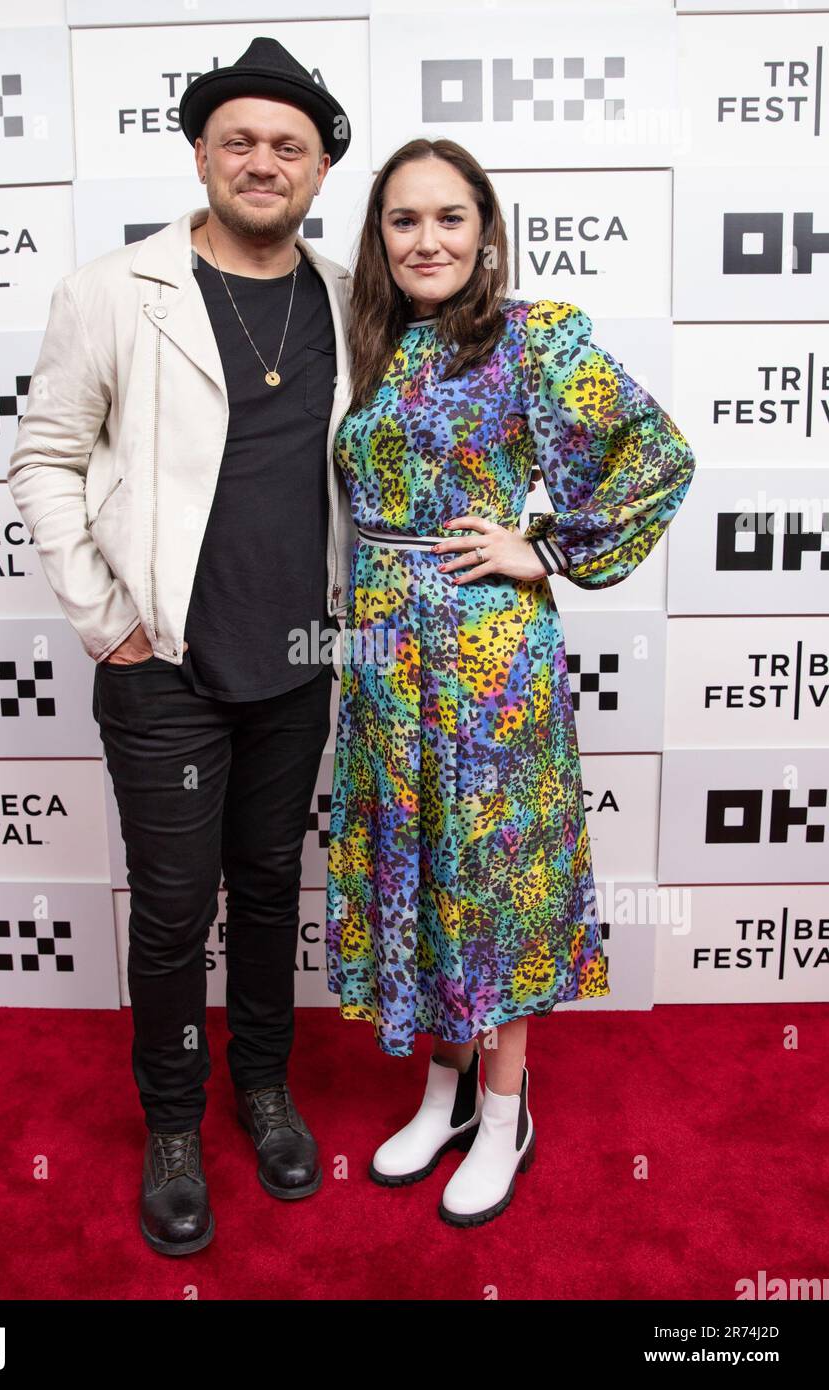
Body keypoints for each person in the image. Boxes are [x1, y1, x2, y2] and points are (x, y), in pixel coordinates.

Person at [7, 37, 357, 1256]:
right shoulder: (115, 289)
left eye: (290, 146)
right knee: (170, 910)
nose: (264, 161)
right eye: (241, 140)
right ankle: (172, 1125)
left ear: (321, 170)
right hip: (164, 671)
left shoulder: (349, 296)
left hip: (302, 656)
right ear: (201, 153)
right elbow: (45, 455)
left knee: (269, 889)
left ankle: (262, 1089)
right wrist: (111, 624)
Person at [325, 137, 696, 1227]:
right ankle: (439, 1091)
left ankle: (502, 1110)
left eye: (450, 217)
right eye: (404, 220)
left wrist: (548, 544)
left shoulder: (535, 339)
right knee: (424, 869)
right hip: (388, 663)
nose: (427, 239)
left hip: (492, 669)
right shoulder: (371, 346)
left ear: (487, 232)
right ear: (379, 238)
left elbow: (655, 455)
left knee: (490, 884)